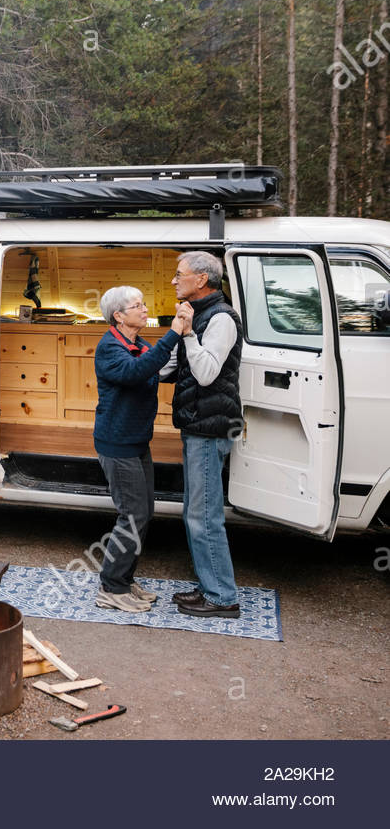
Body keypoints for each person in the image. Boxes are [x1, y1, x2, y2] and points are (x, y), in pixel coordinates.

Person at [92, 286, 190, 612]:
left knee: (143, 513)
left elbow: (156, 366)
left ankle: (123, 579)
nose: (145, 309)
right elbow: (137, 372)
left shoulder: (137, 343)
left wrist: (185, 341)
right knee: (132, 515)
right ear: (119, 315)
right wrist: (174, 331)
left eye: (143, 304)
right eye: (137, 306)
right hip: (117, 444)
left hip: (136, 441)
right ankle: (111, 587)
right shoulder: (109, 348)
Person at [161, 250, 245, 618]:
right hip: (197, 424)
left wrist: (189, 332)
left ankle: (223, 598)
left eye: (180, 274)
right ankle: (208, 587)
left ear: (201, 280)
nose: (174, 280)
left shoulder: (221, 319)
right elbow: (174, 366)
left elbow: (207, 372)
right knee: (194, 512)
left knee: (204, 515)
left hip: (210, 429)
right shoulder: (197, 315)